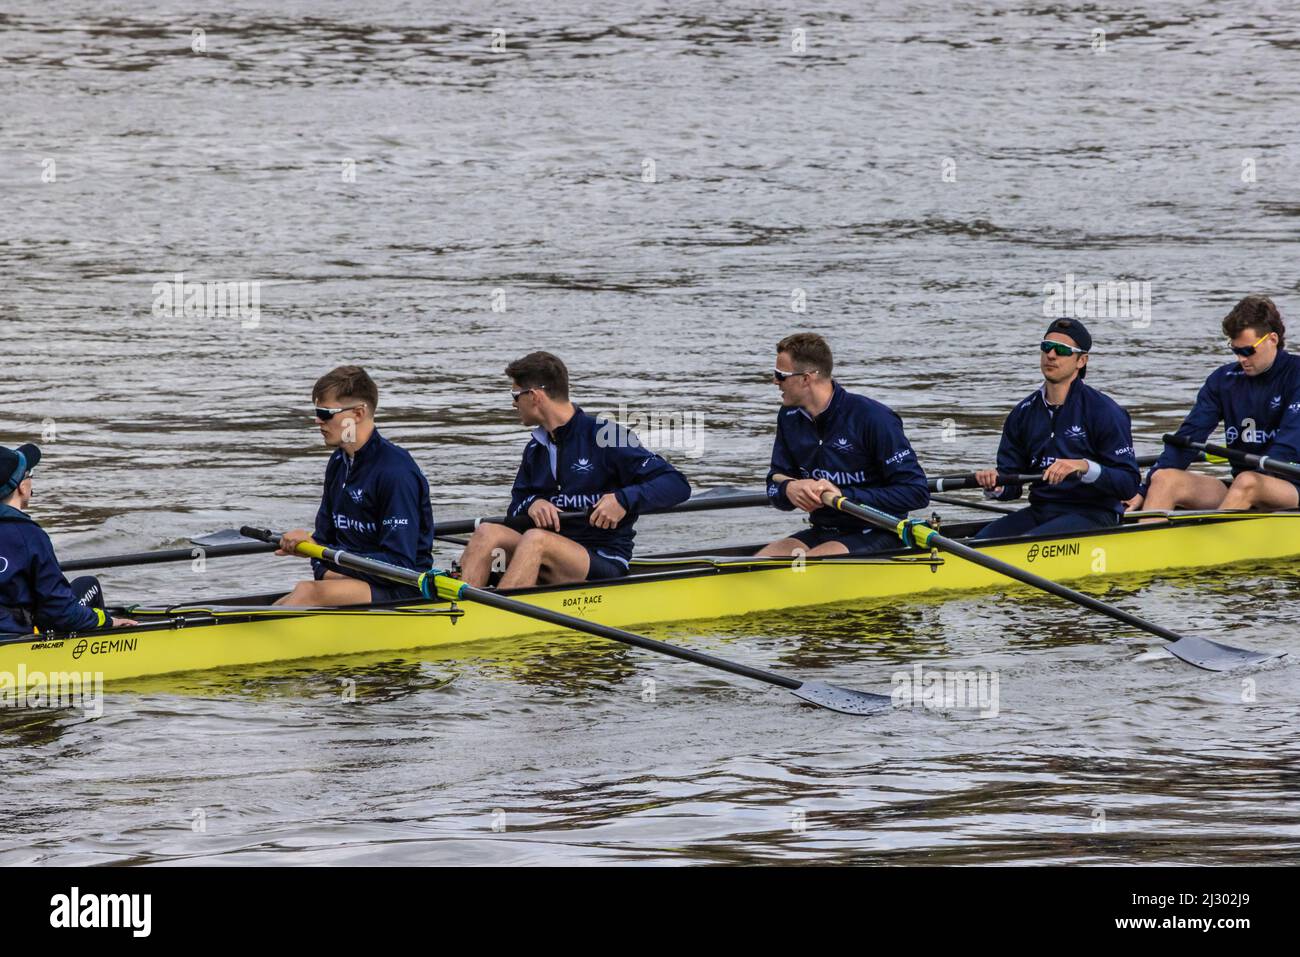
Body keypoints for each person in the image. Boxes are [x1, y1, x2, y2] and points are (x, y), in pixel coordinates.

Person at [458, 352, 691, 588]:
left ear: (535, 396)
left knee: (536, 539)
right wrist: (532, 504)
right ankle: (457, 612)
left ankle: (497, 620)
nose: (513, 403)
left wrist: (623, 500)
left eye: (515, 395)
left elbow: (676, 483)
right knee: (487, 532)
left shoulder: (606, 436)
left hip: (602, 558)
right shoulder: (535, 449)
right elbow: (515, 508)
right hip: (548, 553)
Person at [275, 366, 434, 606]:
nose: (317, 420)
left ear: (358, 413)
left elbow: (399, 564)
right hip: (351, 580)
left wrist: (324, 558)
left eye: (325, 412)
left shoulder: (396, 472)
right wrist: (321, 557)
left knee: (307, 592)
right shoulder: (338, 463)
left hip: (403, 588)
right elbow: (323, 541)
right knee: (300, 594)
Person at [1127, 296, 1300, 515]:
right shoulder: (1223, 380)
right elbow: (1188, 438)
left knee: (1248, 482)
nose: (1241, 359)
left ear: (1272, 339)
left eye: (1247, 351)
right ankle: (1147, 543)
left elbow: (1289, 446)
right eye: (1235, 350)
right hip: (1242, 486)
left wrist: (1254, 482)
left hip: (1290, 485)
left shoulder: (1296, 376)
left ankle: (1217, 544)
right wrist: (1144, 489)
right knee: (1165, 478)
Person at [760, 333, 929, 556]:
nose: (775, 381)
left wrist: (843, 494)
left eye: (780, 375)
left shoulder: (873, 419)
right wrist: (788, 489)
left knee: (803, 568)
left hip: (879, 529)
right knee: (758, 563)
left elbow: (916, 492)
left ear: (806, 378)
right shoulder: (789, 416)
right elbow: (775, 481)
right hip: (824, 529)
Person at [973, 318, 1139, 539]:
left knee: (1026, 545)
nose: (1051, 355)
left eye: (1061, 350)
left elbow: (1128, 484)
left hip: (1095, 513)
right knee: (981, 541)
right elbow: (1011, 482)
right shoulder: (1022, 413)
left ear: (1081, 360)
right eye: (1046, 347)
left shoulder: (1104, 411)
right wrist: (995, 484)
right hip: (1042, 511)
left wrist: (1083, 467)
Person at [0, 443, 136, 633]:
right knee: (89, 585)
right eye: (30, 475)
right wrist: (107, 620)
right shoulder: (30, 536)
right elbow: (60, 613)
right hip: (14, 642)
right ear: (22, 487)